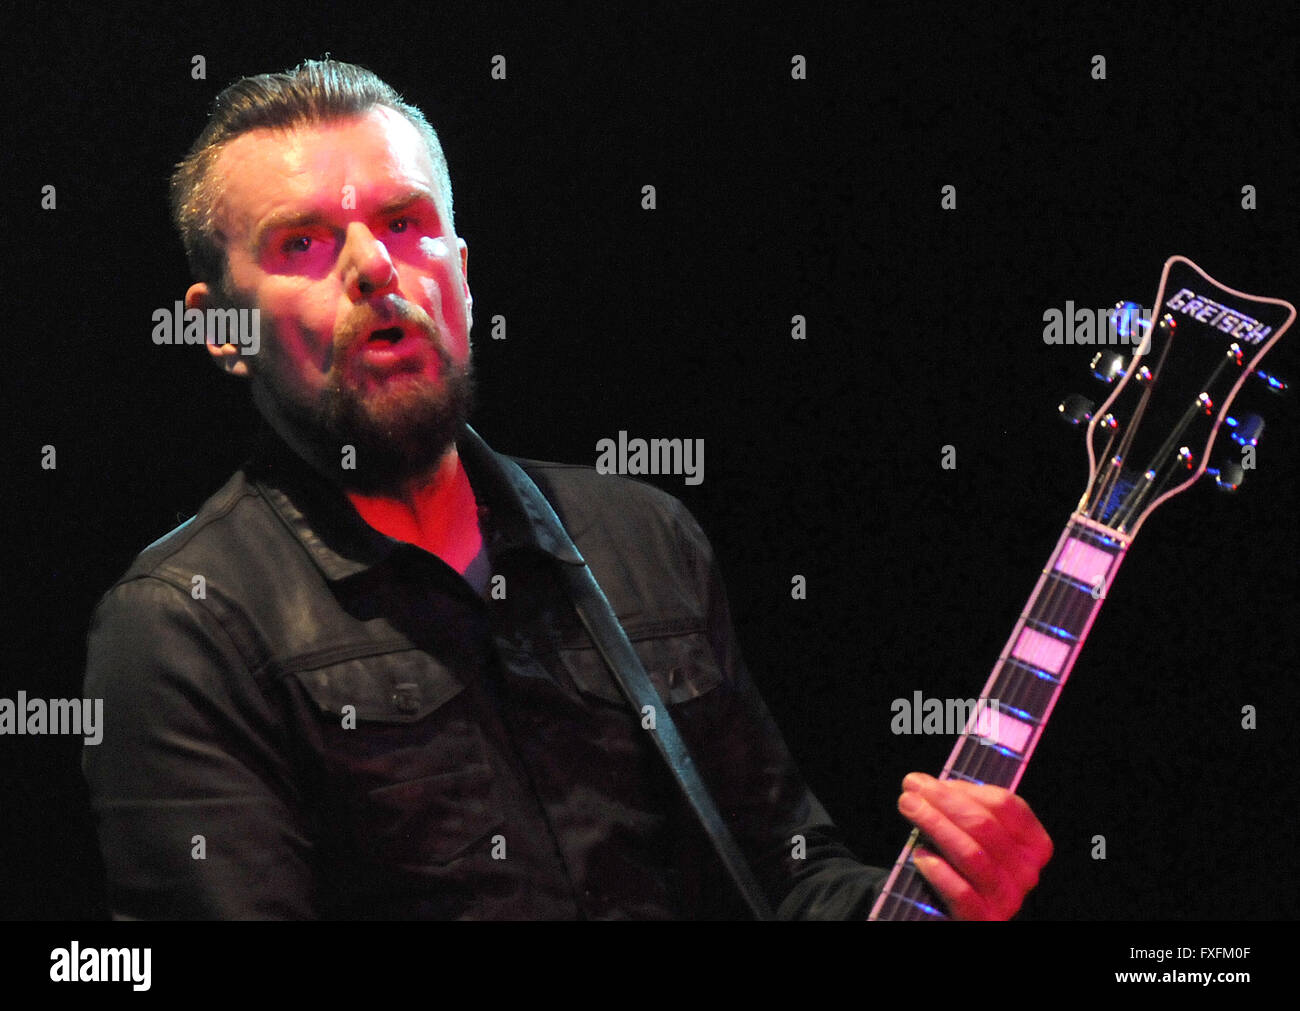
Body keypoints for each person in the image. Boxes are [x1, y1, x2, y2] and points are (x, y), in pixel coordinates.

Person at [82, 58, 1052, 920]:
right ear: (220, 330)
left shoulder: (642, 539)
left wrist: (940, 891)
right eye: (301, 242)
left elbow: (787, 878)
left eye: (405, 222)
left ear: (460, 270)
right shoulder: (182, 628)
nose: (376, 267)